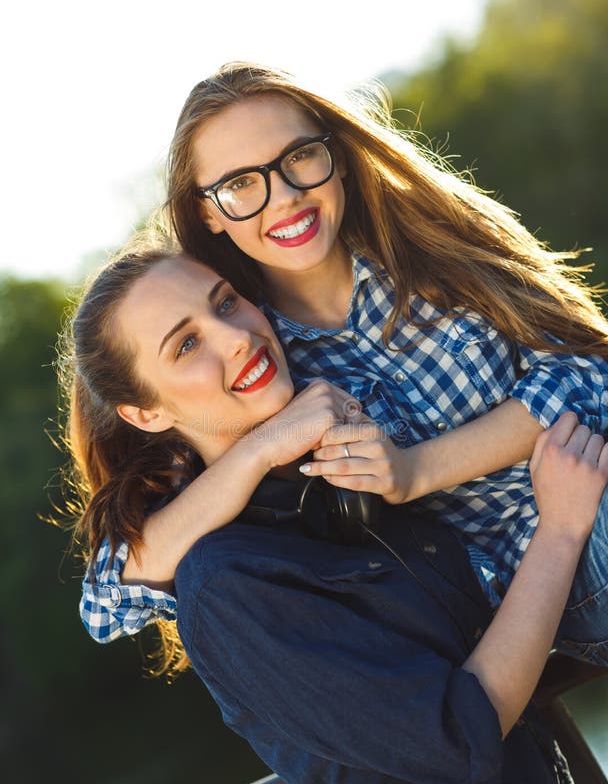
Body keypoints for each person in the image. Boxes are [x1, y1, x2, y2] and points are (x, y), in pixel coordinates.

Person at [63, 246, 608, 784]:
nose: (236, 338)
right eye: (185, 345)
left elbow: (580, 369)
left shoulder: (333, 472)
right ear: (144, 412)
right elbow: (458, 736)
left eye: (226, 303)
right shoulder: (224, 581)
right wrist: (561, 532)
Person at [84, 61, 608, 657]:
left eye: (298, 157)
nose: (283, 198)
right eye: (241, 184)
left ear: (334, 151)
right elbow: (109, 600)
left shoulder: (426, 240)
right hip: (555, 577)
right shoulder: (257, 374)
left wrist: (415, 470)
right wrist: (262, 446)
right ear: (207, 211)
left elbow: (588, 368)